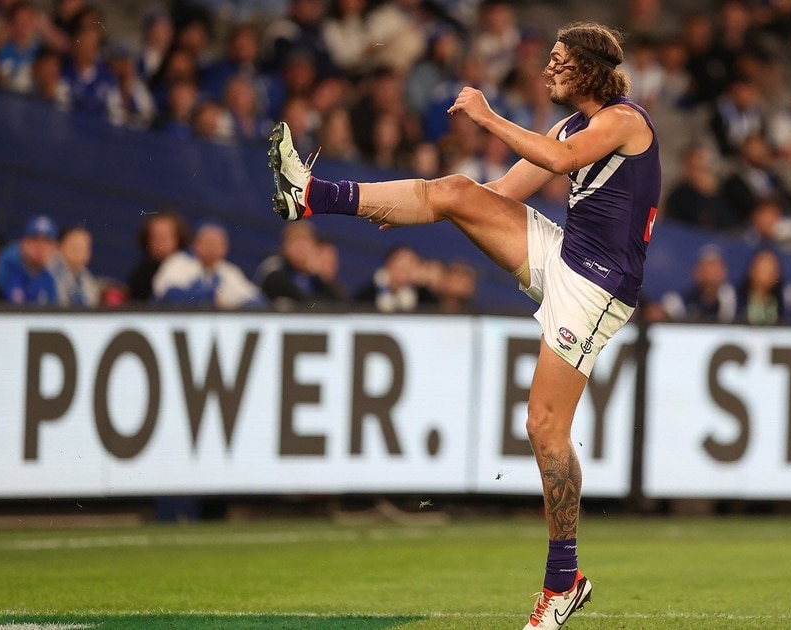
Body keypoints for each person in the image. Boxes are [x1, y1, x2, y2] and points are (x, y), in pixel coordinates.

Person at [267, 21, 658, 629]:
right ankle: (311, 193)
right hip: (565, 256)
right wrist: (424, 207)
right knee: (453, 189)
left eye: (559, 61)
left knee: (543, 427)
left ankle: (564, 582)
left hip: (596, 287)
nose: (549, 70)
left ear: (589, 69)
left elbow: (558, 160)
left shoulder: (625, 119)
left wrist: (486, 115)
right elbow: (496, 193)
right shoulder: (573, 125)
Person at [153, 222, 265, 309]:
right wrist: (209, 297)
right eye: (207, 242)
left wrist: (231, 305)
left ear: (225, 248)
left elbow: (257, 301)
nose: (212, 248)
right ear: (195, 244)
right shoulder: (179, 262)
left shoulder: (228, 271)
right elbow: (169, 296)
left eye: (217, 243)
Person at [0, 214, 60, 305]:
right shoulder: (5, 266)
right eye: (34, 240)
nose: (40, 247)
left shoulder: (49, 280)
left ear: (54, 248)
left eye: (47, 242)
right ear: (23, 243)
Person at [48, 225, 102, 307]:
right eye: (75, 246)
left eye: (85, 247)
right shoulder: (48, 271)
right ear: (59, 246)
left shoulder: (85, 277)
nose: (80, 251)